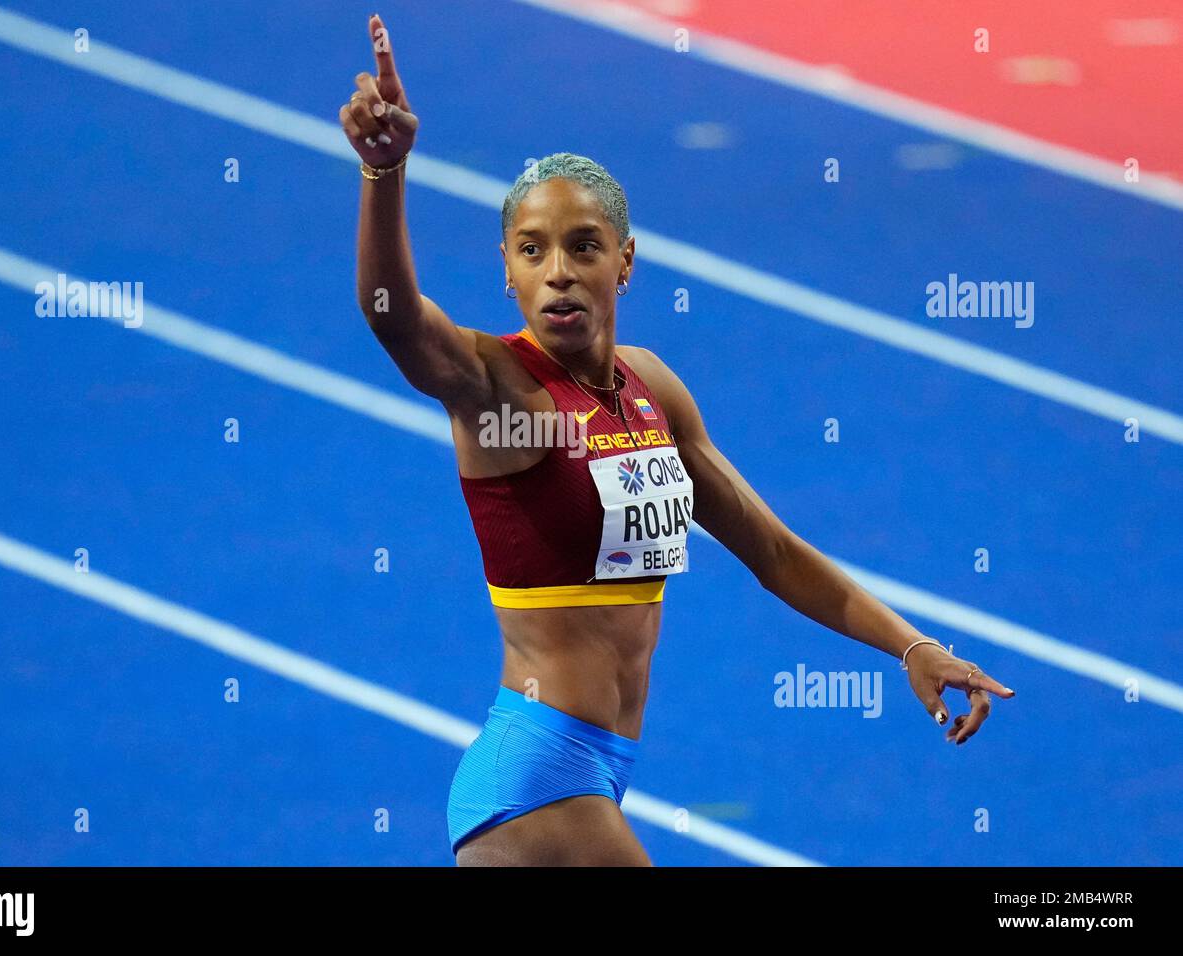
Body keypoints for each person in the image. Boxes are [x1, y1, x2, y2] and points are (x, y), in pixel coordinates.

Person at [340, 14, 1015, 866]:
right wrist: (384, 170)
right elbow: (392, 316)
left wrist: (910, 645)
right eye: (532, 250)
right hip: (537, 779)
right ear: (506, 270)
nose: (558, 271)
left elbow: (770, 548)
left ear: (625, 262)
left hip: (599, 771)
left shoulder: (650, 388)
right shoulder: (495, 386)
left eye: (583, 247)